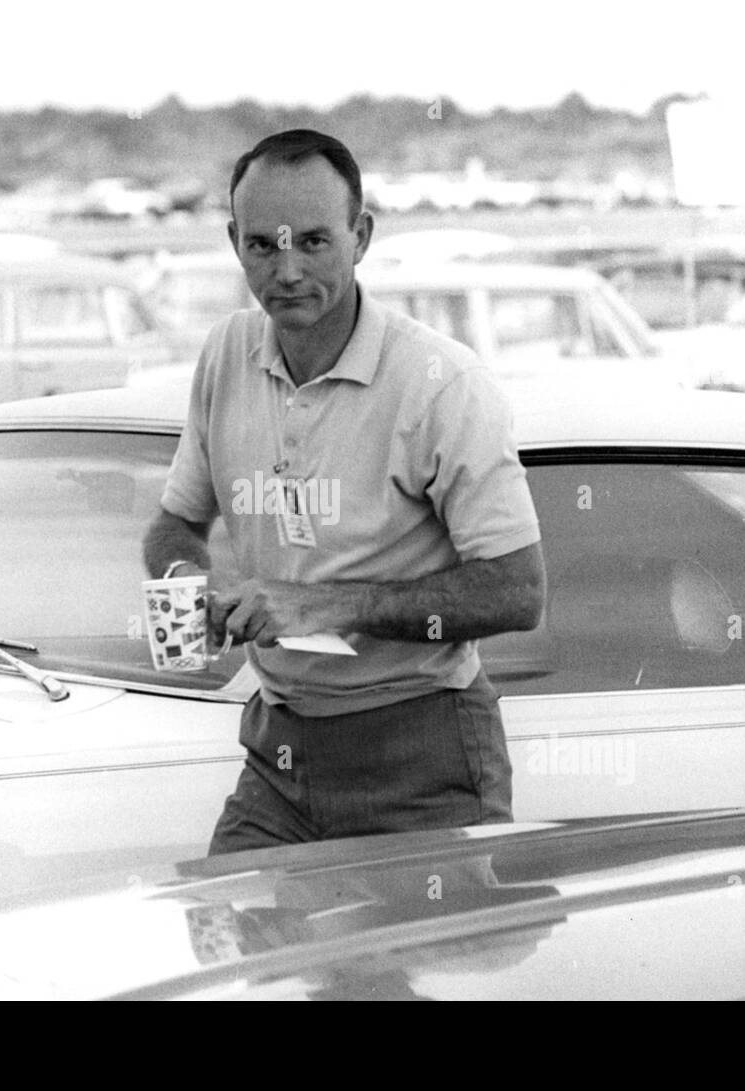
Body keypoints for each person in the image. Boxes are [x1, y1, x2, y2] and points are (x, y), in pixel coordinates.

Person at [143, 129, 546, 855]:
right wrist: (187, 586)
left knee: (403, 964)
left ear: (361, 236)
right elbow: (174, 521)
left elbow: (518, 591)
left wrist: (329, 603)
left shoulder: (441, 383)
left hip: (419, 748)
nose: (288, 270)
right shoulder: (226, 354)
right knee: (234, 953)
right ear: (234, 242)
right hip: (277, 748)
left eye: (314, 242)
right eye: (263, 245)